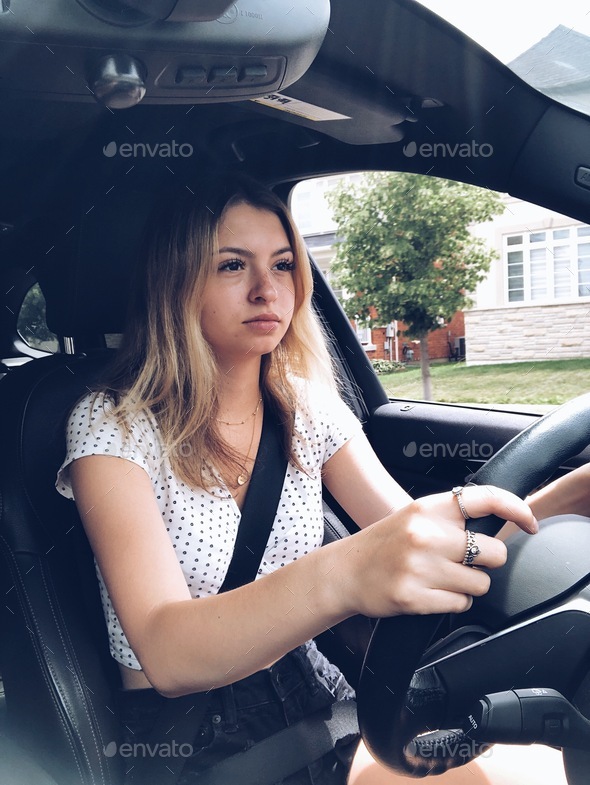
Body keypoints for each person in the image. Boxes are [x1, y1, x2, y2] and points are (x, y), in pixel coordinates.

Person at [55, 173, 572, 784]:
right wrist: (347, 575)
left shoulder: (304, 403)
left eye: (281, 265)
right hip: (194, 740)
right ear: (176, 283)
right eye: (230, 266)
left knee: (538, 754)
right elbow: (167, 653)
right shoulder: (112, 423)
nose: (265, 290)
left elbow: (426, 539)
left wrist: (573, 495)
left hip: (316, 700)